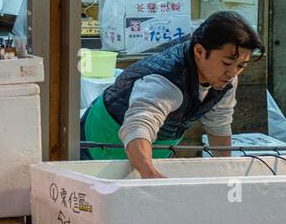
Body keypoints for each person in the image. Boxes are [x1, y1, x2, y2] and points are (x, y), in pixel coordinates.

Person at [81, 11, 261, 177]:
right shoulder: (165, 82)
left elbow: (218, 123)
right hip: (98, 146)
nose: (233, 73)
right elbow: (138, 127)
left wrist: (226, 172)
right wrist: (149, 175)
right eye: (226, 63)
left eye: (240, 66)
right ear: (199, 51)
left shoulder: (225, 79)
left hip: (153, 154)